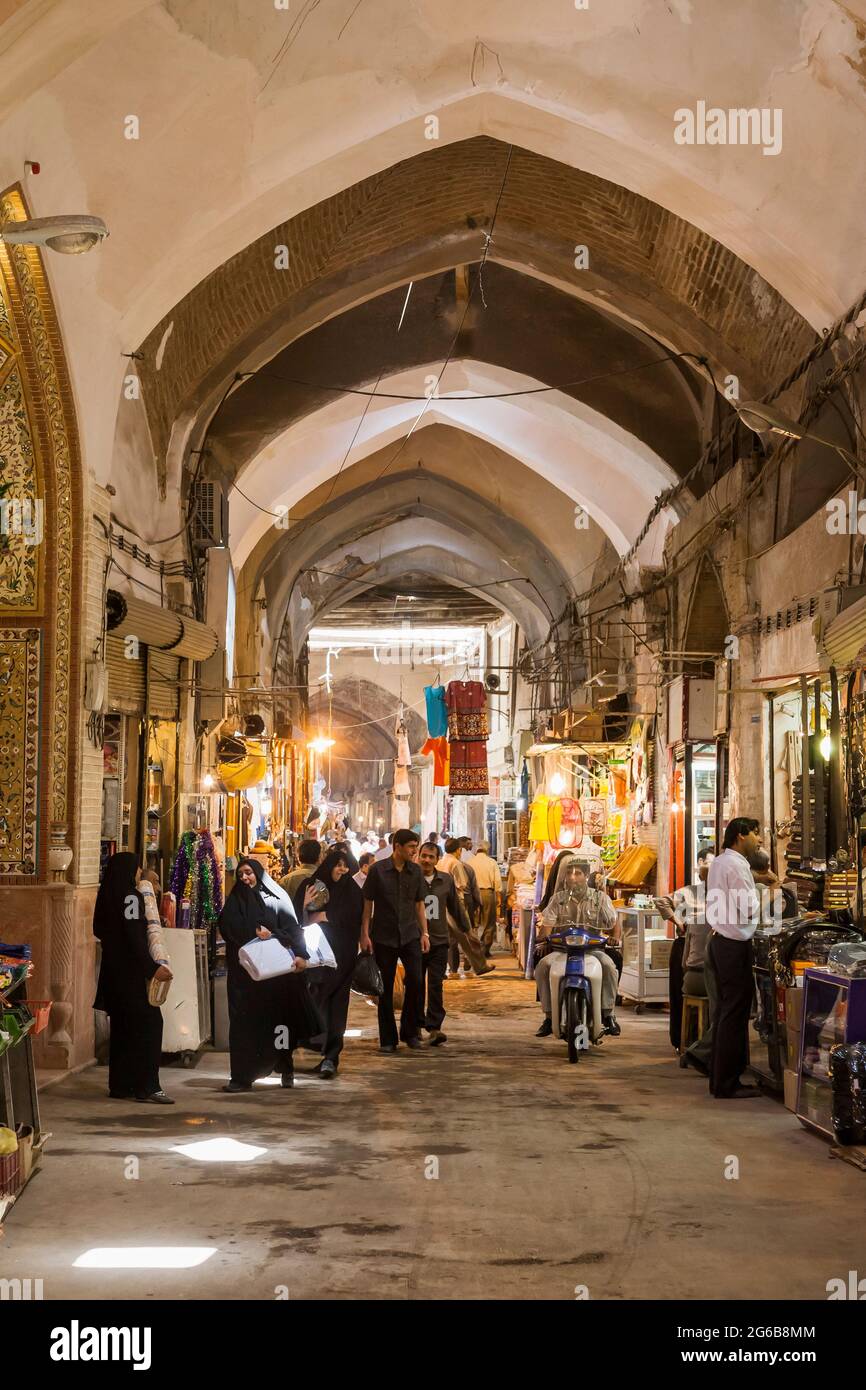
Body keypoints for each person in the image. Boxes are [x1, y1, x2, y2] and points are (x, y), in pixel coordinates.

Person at [218, 857, 310, 1092]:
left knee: (278, 1022)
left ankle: (285, 1068)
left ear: (258, 873)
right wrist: (252, 932)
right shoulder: (235, 900)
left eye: (248, 872)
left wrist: (293, 949)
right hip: (244, 977)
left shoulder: (277, 897)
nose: (244, 878)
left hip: (274, 977)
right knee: (243, 1024)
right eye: (240, 874)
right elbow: (227, 926)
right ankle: (241, 1076)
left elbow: (293, 929)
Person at [93, 852, 174, 1104]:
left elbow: (99, 930)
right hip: (131, 976)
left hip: (112, 975)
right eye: (138, 869)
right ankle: (148, 1086)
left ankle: (120, 1085)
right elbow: (134, 938)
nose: (140, 874)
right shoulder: (130, 896)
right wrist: (152, 969)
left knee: (122, 1029)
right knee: (150, 1025)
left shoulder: (106, 896)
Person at [705, 816, 763, 1099]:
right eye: (755, 833)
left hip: (721, 942)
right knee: (734, 1014)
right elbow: (749, 908)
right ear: (741, 835)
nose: (759, 840)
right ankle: (727, 1083)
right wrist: (770, 896)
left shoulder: (720, 862)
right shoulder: (737, 865)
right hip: (733, 945)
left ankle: (720, 1079)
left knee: (725, 1012)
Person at [294, 848, 363, 1078]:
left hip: (342, 958)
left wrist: (328, 917)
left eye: (346, 865)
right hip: (314, 959)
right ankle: (304, 1047)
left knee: (337, 1007)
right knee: (312, 1001)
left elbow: (355, 918)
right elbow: (294, 919)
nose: (342, 869)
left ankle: (331, 1057)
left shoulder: (352, 890)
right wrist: (304, 905)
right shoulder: (311, 885)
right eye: (338, 864)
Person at [533, 858, 620, 1038]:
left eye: (578, 873)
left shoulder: (599, 898)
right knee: (543, 966)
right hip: (563, 950)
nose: (573, 877)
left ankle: (608, 1014)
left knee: (609, 967)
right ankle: (549, 1016)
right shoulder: (558, 899)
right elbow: (548, 925)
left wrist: (615, 938)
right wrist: (543, 939)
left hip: (593, 950)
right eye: (569, 873)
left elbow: (614, 922)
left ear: (586, 875)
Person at [360, 828, 430, 1051]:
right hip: (384, 935)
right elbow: (367, 904)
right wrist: (364, 934)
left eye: (415, 847)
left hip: (410, 934)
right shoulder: (378, 870)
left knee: (416, 981)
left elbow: (420, 904)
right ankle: (388, 1039)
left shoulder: (415, 871)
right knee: (385, 987)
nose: (414, 851)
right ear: (397, 846)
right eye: (411, 847)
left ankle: (410, 1032)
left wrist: (425, 933)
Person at [417, 842, 489, 1044]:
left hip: (439, 940)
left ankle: (434, 1027)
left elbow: (456, 908)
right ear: (418, 856)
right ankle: (415, 1026)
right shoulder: (412, 878)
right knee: (415, 984)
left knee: (435, 985)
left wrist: (467, 930)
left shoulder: (445, 880)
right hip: (415, 941)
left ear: (437, 859)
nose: (426, 860)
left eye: (431, 857)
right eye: (424, 856)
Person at [658, 848, 716, 1073]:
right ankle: (686, 1042)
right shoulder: (690, 893)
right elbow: (662, 902)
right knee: (681, 996)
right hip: (688, 947)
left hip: (693, 952)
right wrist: (679, 922)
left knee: (685, 994)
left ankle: (692, 1042)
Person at [439, 838, 479, 978]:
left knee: (449, 938)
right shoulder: (455, 863)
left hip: (441, 903)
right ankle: (475, 964)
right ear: (458, 850)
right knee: (464, 934)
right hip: (455, 903)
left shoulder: (439, 862)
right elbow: (462, 884)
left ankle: (452, 968)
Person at [468, 840, 500, 956]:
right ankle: (485, 949)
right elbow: (497, 882)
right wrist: (498, 898)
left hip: (473, 894)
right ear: (487, 849)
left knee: (473, 922)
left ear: (476, 849)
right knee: (489, 923)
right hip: (488, 893)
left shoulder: (469, 862)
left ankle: (474, 949)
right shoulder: (492, 862)